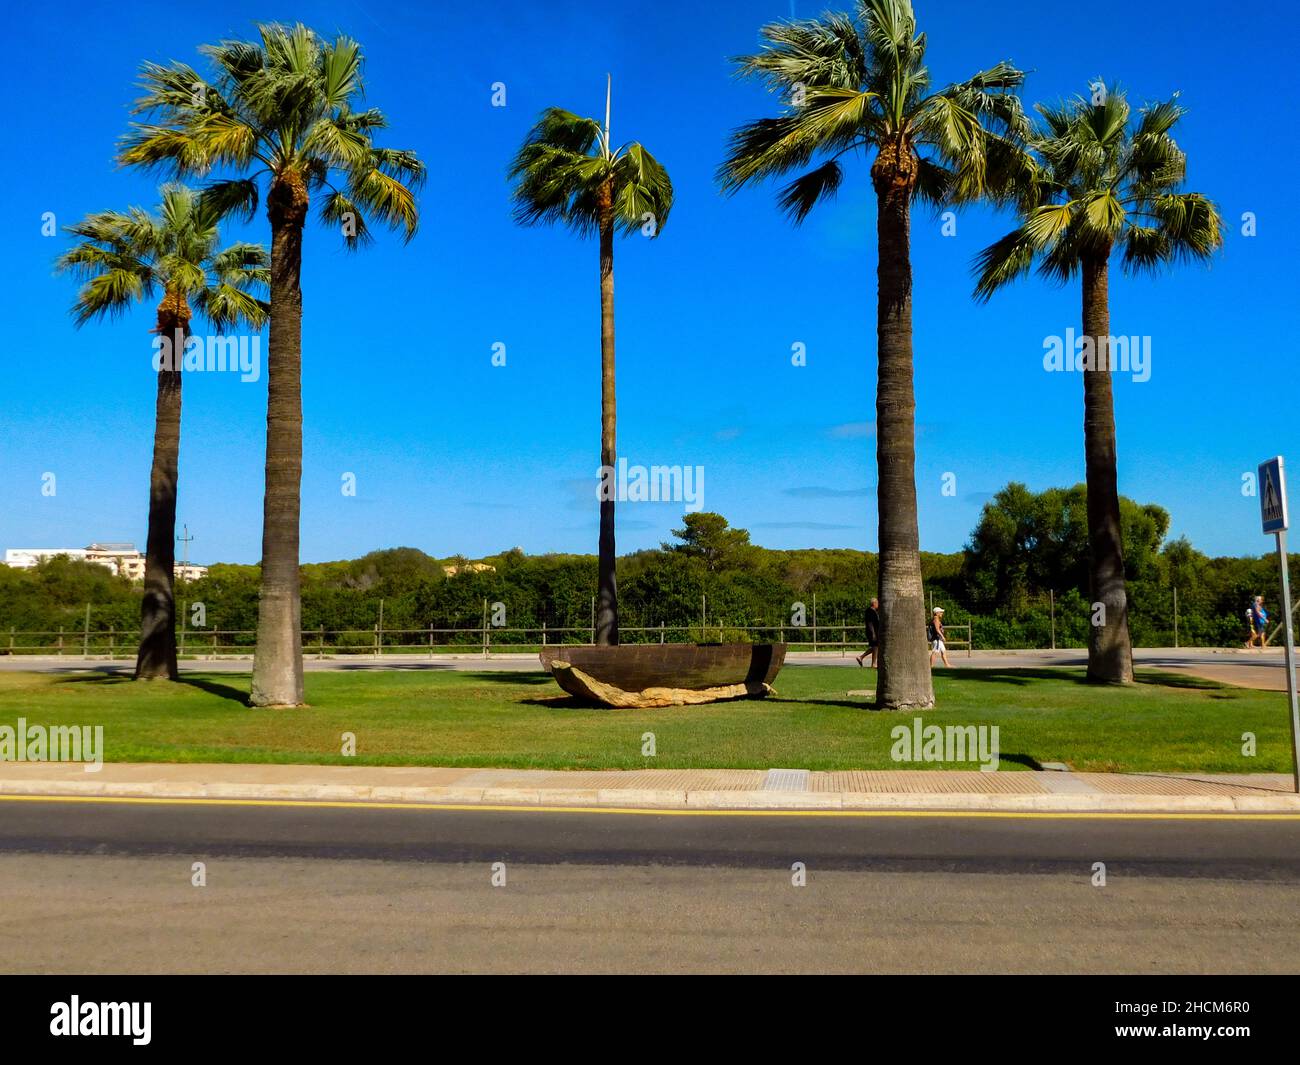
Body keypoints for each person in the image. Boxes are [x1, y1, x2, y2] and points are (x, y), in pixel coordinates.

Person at [856, 598, 880, 667]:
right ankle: (864, 658)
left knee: (875, 647)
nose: (878, 605)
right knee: (875, 647)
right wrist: (873, 633)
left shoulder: (873, 611)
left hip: (874, 632)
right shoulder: (870, 611)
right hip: (872, 632)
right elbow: (870, 623)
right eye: (877, 603)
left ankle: (871, 662)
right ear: (874, 603)